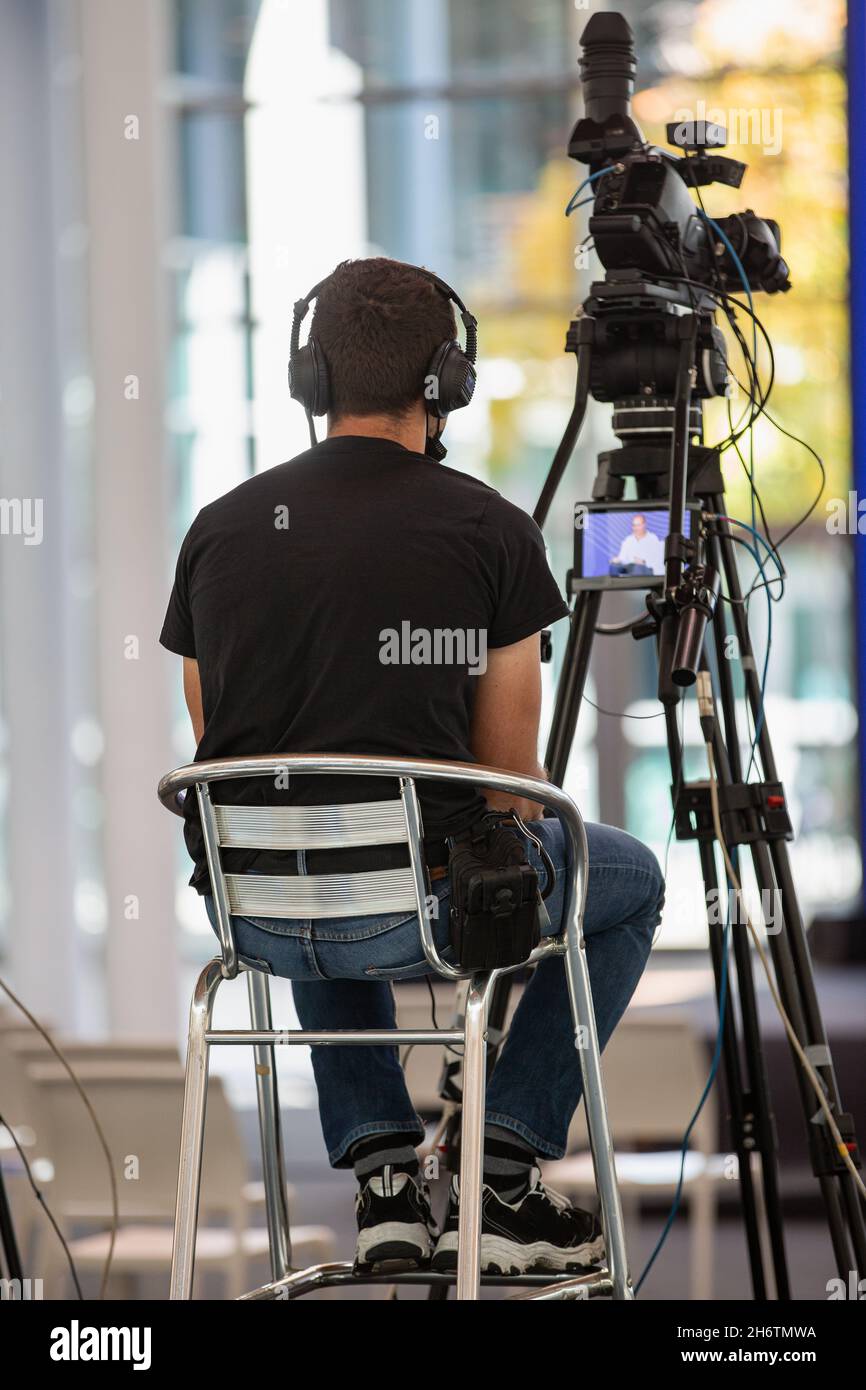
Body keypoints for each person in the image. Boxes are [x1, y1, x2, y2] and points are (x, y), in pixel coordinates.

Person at [160, 257, 664, 1277]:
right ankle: (503, 1172)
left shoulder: (217, 532)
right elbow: (507, 783)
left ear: (312, 379)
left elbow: (232, 753)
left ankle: (384, 1179)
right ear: (446, 380)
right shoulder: (485, 529)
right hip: (427, 914)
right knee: (632, 881)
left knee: (300, 827)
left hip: (258, 920)